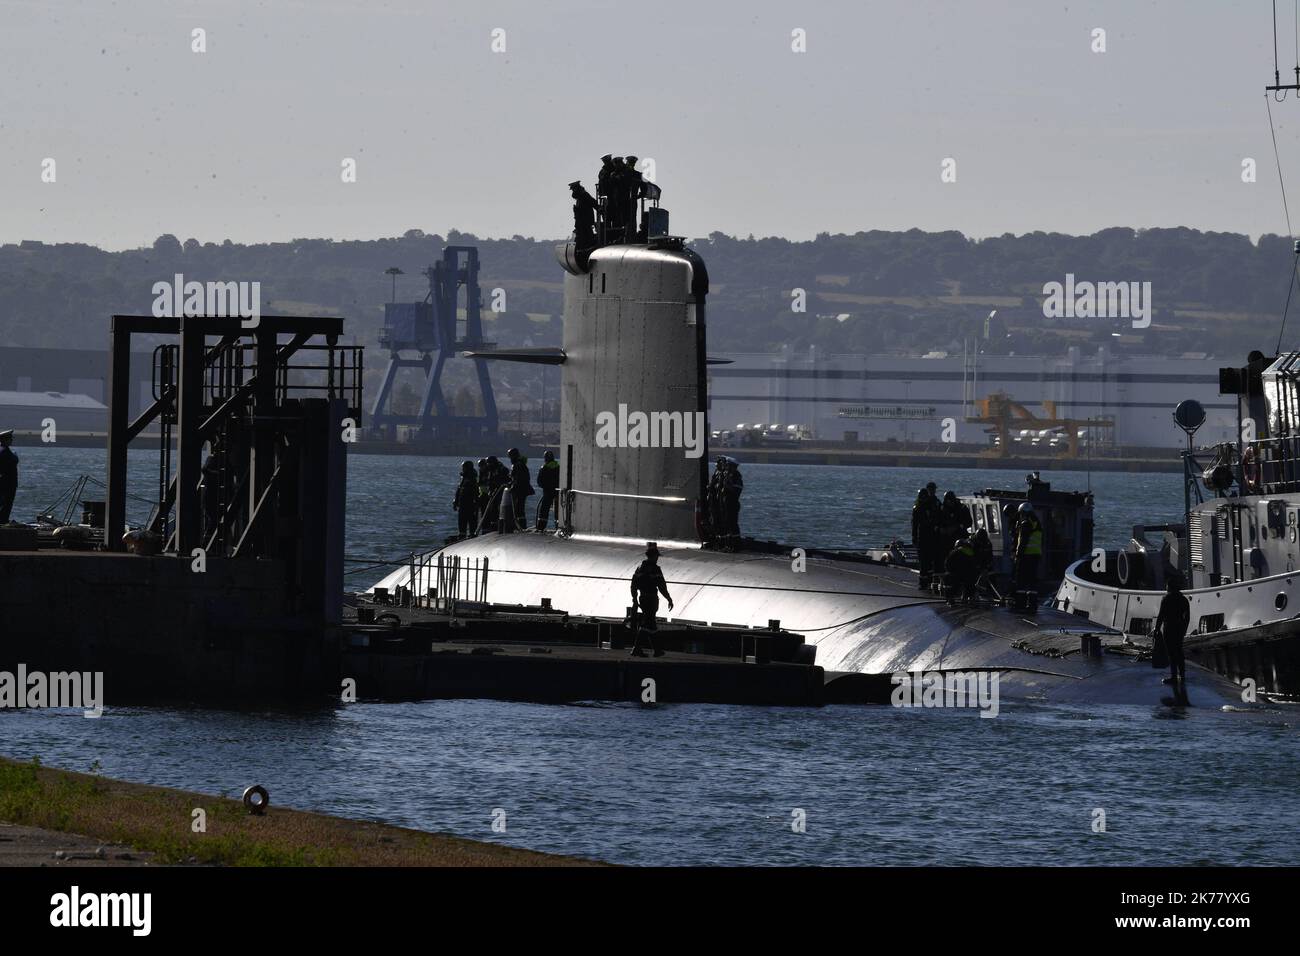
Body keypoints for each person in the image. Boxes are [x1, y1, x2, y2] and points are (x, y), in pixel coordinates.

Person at [630, 542, 673, 657]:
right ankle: (637, 649)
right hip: (651, 599)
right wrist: (669, 599)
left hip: (643, 598)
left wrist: (634, 599)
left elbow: (633, 584)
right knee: (647, 623)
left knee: (650, 623)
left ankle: (657, 650)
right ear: (654, 556)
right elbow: (661, 586)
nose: (657, 558)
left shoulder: (639, 568)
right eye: (657, 556)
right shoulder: (655, 569)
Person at [1154, 575, 1191, 687]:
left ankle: (1174, 676)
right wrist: (1184, 629)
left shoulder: (1166, 599)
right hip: (1179, 628)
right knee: (1179, 651)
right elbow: (1187, 617)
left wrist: (1157, 628)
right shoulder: (1184, 599)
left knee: (1171, 653)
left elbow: (1161, 615)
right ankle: (1182, 675)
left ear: (1169, 587)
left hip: (1169, 627)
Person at [911, 488, 940, 588]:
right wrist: (914, 537)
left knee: (929, 560)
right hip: (923, 537)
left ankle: (928, 581)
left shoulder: (933, 506)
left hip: (930, 537)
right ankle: (924, 582)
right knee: (923, 561)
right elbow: (914, 525)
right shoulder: (918, 508)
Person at [1013, 502, 1044, 594]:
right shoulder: (1036, 522)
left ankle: (1020, 601)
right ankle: (1032, 601)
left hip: (1026, 555)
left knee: (1021, 578)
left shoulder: (1025, 523)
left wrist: (1018, 555)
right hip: (1036, 554)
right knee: (1032, 578)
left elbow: (1023, 540)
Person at [944, 537, 977, 605]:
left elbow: (947, 564)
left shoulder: (954, 552)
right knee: (970, 584)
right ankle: (970, 597)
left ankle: (950, 598)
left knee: (949, 580)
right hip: (969, 575)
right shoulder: (971, 552)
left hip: (957, 575)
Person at [507, 448, 534, 532]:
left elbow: (518, 478)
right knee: (519, 508)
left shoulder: (517, 465)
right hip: (521, 489)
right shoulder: (520, 464)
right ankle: (520, 525)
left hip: (520, 490)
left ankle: (521, 526)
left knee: (519, 508)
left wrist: (513, 487)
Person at [535, 449, 560, 531]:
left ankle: (541, 527)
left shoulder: (544, 467)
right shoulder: (558, 467)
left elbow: (539, 481)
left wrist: (545, 486)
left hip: (547, 492)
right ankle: (558, 527)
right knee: (557, 510)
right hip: (557, 492)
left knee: (544, 510)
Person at [453, 460, 479, 540]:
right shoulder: (463, 478)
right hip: (462, 504)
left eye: (464, 467)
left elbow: (476, 492)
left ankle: (472, 536)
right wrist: (455, 501)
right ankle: (462, 536)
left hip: (470, 504)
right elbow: (459, 490)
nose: (462, 469)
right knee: (462, 522)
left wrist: (476, 504)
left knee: (472, 521)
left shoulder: (473, 479)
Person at [569, 180, 598, 250]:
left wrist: (599, 208)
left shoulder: (584, 196)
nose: (573, 192)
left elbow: (593, 203)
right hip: (581, 225)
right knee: (580, 241)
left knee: (587, 239)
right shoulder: (579, 198)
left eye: (573, 189)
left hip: (586, 224)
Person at [722, 458, 744, 541]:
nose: (727, 467)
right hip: (727, 502)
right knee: (727, 522)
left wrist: (727, 486)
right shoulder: (729, 475)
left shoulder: (737, 478)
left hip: (733, 503)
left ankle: (736, 542)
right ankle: (729, 541)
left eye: (728, 466)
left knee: (733, 523)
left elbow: (736, 491)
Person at [0, 429, 17, 524]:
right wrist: (15, 456)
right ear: (5, 440)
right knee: (6, 503)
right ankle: (2, 521)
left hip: (4, 482)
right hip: (8, 483)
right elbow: (14, 460)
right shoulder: (5, 452)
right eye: (10, 438)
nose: (11, 440)